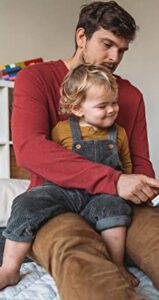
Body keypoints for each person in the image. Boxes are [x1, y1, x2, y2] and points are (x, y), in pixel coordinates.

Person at [8, 1, 159, 299]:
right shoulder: (37, 78)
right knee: (76, 254)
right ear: (81, 37)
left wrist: (152, 189)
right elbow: (30, 149)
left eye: (122, 50)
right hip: (55, 204)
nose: (114, 57)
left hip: (120, 205)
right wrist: (113, 180)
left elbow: (140, 163)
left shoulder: (130, 95)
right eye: (107, 44)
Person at [0, 63, 140, 289]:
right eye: (102, 105)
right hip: (63, 191)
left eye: (114, 102)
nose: (112, 109)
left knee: (116, 210)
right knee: (25, 203)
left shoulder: (119, 133)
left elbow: (126, 167)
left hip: (103, 193)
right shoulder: (62, 130)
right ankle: (9, 269)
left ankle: (117, 265)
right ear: (77, 109)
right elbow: (52, 163)